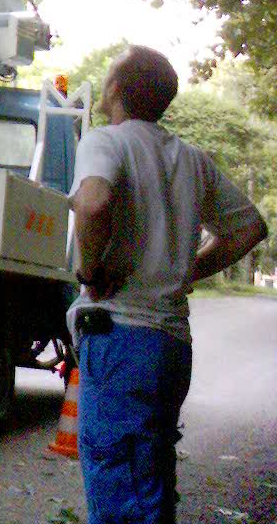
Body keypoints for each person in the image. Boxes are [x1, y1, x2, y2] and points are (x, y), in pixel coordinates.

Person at [67, 45, 268, 524]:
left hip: (121, 338)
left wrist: (91, 272)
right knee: (149, 482)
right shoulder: (191, 159)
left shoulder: (106, 141)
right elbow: (248, 227)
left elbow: (92, 203)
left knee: (121, 490)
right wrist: (185, 269)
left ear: (116, 89)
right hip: (170, 346)